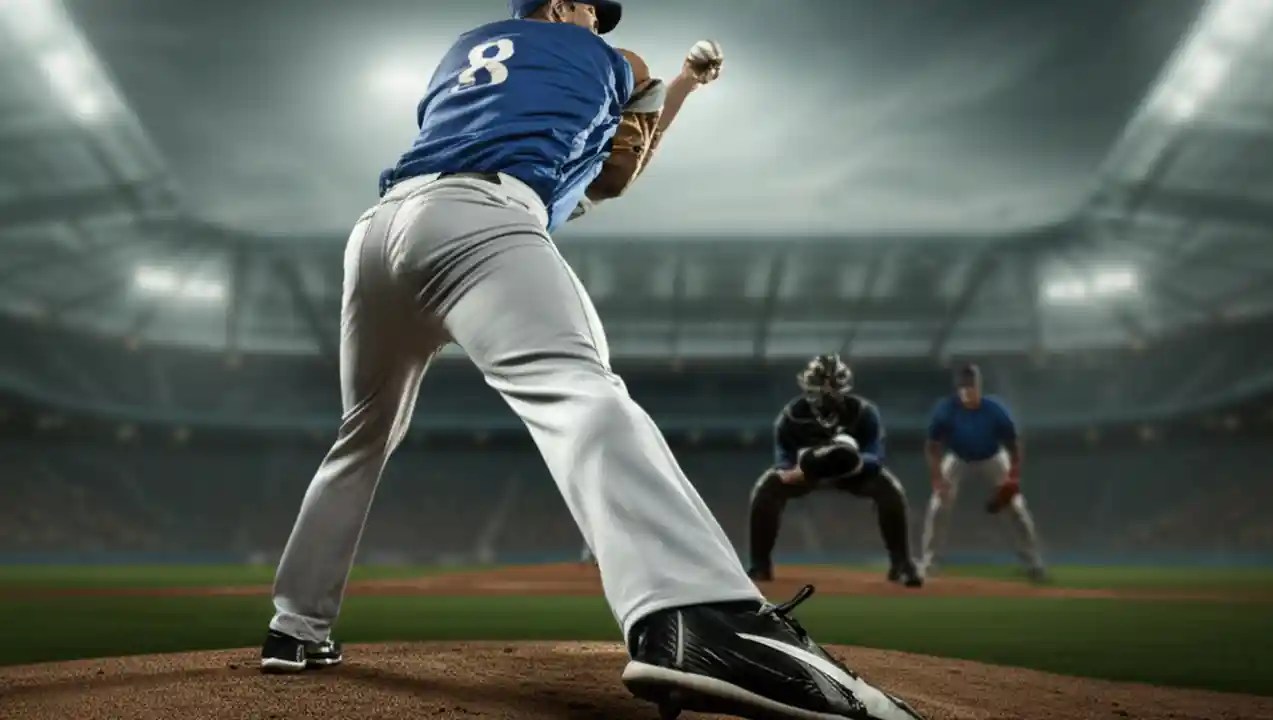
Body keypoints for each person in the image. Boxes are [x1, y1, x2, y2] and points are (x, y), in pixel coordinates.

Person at [257, 2, 924, 719]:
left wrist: (668, 92)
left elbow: (552, 143)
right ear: (557, 5)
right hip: (480, 219)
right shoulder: (617, 61)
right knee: (580, 393)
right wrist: (679, 84)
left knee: (360, 438)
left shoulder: (465, 51)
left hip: (378, 233)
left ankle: (295, 626)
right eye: (588, 9)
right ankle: (692, 612)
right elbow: (617, 174)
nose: (598, 23)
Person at [747, 354, 923, 588]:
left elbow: (875, 456)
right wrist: (791, 470)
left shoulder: (864, 412)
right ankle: (760, 565)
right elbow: (783, 457)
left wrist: (851, 461)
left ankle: (901, 563)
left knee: (891, 491)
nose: (826, 392)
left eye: (831, 386)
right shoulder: (791, 416)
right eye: (821, 385)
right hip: (806, 471)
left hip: (852, 471)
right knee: (765, 490)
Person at [920, 363, 1046, 582]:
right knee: (938, 504)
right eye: (963, 387)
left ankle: (1033, 562)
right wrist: (937, 478)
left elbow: (1014, 444)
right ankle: (930, 562)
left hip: (992, 456)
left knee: (1016, 506)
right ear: (958, 389)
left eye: (971, 387)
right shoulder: (947, 409)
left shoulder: (994, 409)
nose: (967, 392)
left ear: (979, 387)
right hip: (958, 457)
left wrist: (1013, 476)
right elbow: (932, 445)